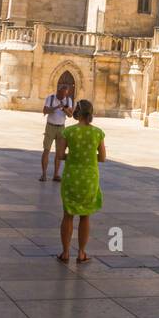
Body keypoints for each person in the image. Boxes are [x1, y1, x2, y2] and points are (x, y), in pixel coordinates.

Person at [56, 99, 105, 265]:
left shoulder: (68, 132)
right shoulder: (98, 133)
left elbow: (60, 155)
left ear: (77, 112)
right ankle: (82, 253)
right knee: (85, 216)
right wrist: (89, 156)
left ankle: (65, 252)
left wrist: (74, 156)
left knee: (68, 215)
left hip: (72, 177)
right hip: (90, 178)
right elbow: (103, 158)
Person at [41, 84, 73, 182]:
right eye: (61, 94)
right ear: (58, 92)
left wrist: (64, 108)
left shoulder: (68, 101)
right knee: (46, 150)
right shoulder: (50, 99)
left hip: (61, 128)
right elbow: (45, 111)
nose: (63, 96)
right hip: (50, 126)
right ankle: (44, 174)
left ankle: (56, 174)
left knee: (59, 152)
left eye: (65, 94)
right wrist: (56, 107)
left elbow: (70, 115)